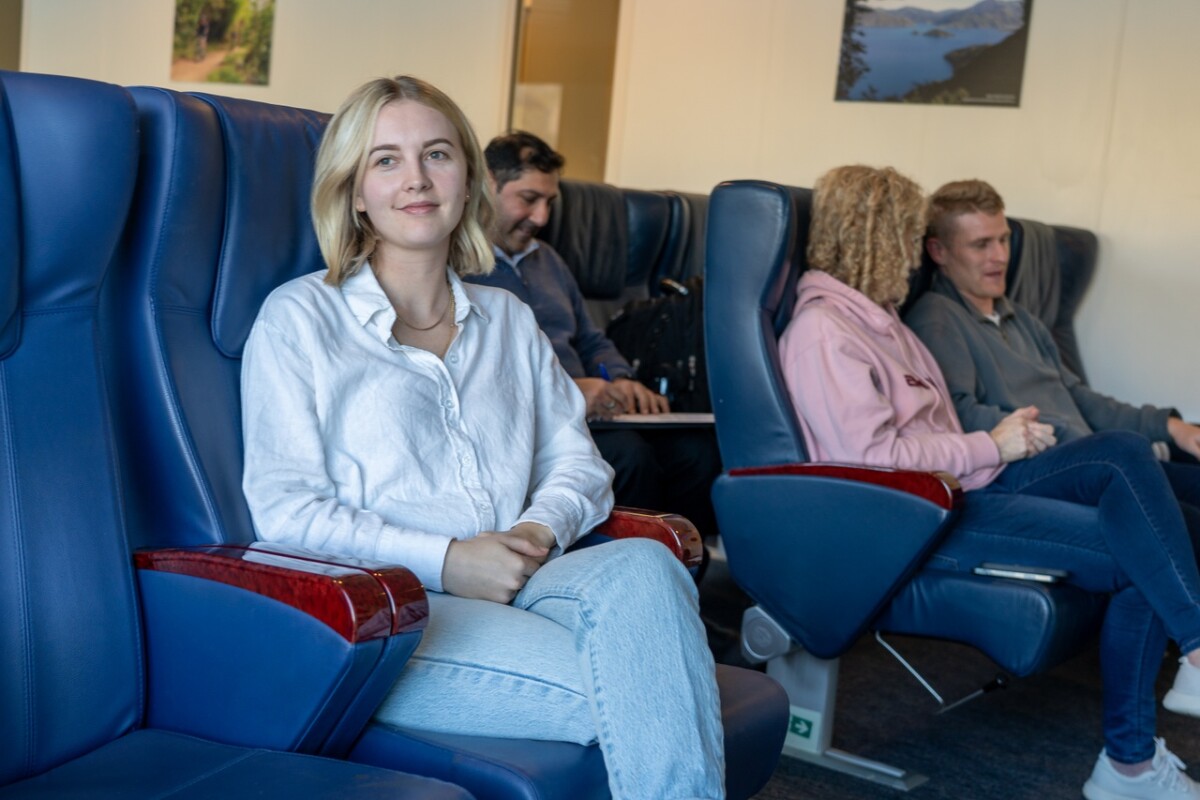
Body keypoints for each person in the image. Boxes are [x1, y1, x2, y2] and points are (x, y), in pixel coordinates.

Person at [240, 76, 725, 800]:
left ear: (467, 179)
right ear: (353, 191)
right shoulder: (299, 319)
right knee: (653, 690)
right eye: (386, 160)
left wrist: (534, 531)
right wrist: (449, 560)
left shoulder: (507, 318)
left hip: (529, 571)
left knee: (646, 570)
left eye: (436, 154)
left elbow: (578, 465)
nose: (416, 179)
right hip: (397, 611)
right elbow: (286, 514)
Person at [779, 164, 1200, 800]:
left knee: (1126, 467)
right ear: (875, 240)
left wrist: (991, 453)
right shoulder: (823, 332)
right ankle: (1139, 750)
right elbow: (864, 458)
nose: (913, 258)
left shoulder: (880, 323)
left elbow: (934, 432)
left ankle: (1151, 730)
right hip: (913, 523)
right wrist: (991, 443)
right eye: (905, 238)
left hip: (965, 489)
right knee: (1136, 519)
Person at [464, 130, 721, 544]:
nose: (542, 217)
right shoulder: (461, 266)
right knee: (628, 456)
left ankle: (684, 569)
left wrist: (620, 379)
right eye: (529, 199)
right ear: (486, 185)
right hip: (535, 418)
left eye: (549, 202)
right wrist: (571, 389)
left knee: (696, 454)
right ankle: (621, 561)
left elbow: (590, 339)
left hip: (592, 413)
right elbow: (481, 370)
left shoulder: (550, 261)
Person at [905, 177, 1200, 537]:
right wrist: (1071, 437)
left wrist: (1170, 427)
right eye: (981, 245)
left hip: (1094, 457)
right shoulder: (938, 317)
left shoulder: (1021, 317)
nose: (999, 256)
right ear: (938, 252)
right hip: (1043, 466)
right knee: (1185, 522)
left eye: (1003, 239)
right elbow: (957, 411)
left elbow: (1076, 395)